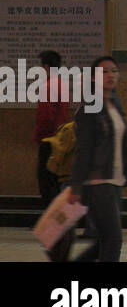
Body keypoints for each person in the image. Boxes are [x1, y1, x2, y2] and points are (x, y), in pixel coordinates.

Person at [67, 56, 127, 263]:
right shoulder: (89, 107)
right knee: (113, 239)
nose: (110, 75)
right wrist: (76, 186)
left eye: (114, 71)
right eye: (104, 72)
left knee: (103, 241)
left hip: (114, 179)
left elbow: (120, 141)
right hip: (97, 181)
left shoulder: (115, 101)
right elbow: (83, 148)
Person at [34, 49, 70, 208]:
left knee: (46, 180)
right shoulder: (62, 84)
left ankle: (50, 220)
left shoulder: (47, 86)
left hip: (48, 139)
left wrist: (39, 136)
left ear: (46, 67)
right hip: (61, 138)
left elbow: (46, 117)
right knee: (55, 180)